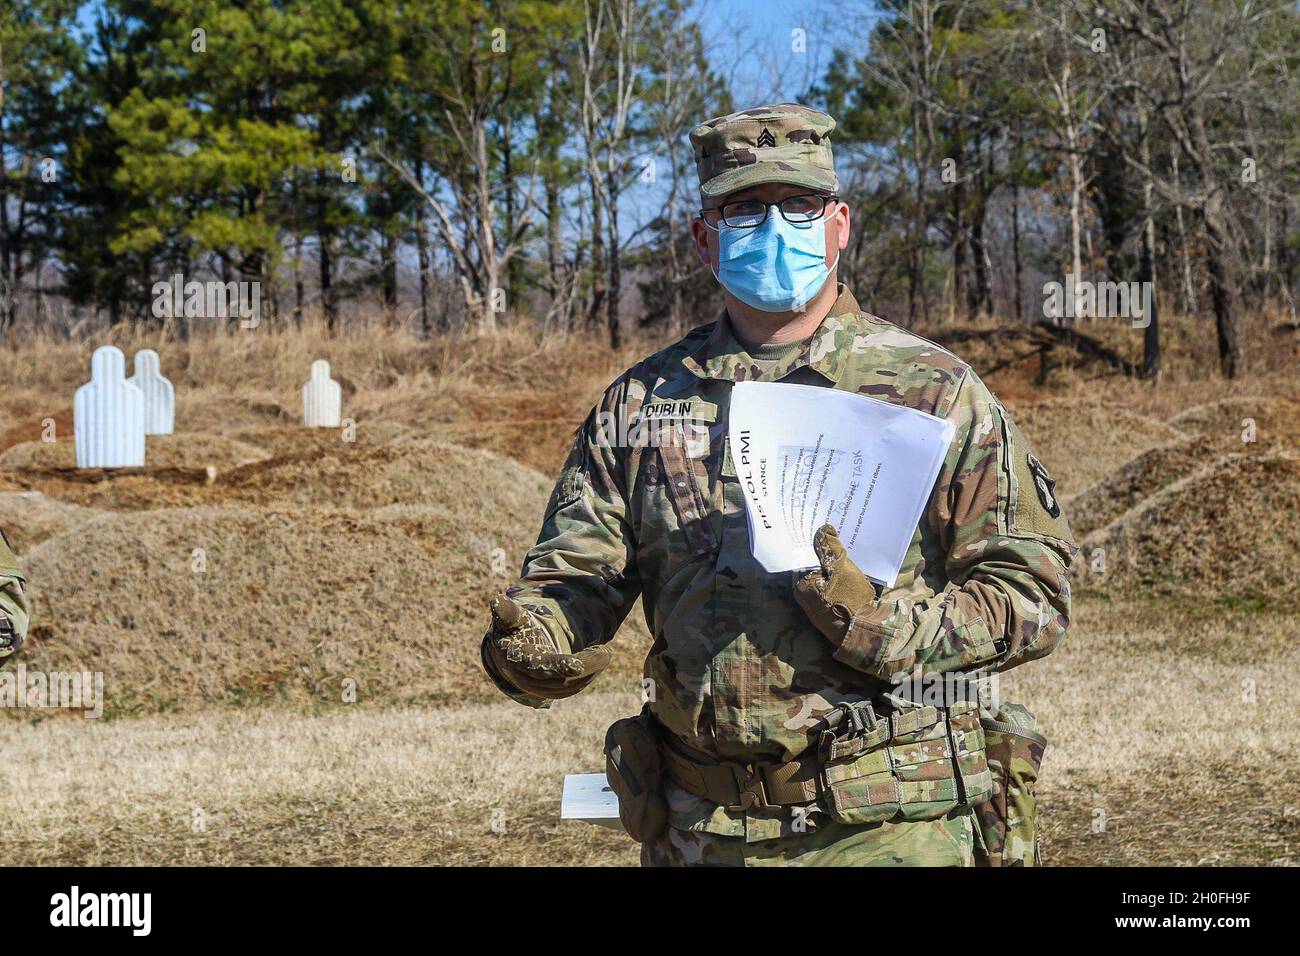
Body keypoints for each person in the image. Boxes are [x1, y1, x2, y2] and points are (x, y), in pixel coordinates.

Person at [482, 104, 1075, 866]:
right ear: (705, 237)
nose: (775, 227)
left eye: (799, 205)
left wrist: (886, 628)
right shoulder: (642, 406)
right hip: (699, 828)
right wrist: (535, 640)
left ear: (840, 224)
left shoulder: (934, 393)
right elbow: (575, 582)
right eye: (744, 209)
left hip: (889, 827)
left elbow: (1035, 592)